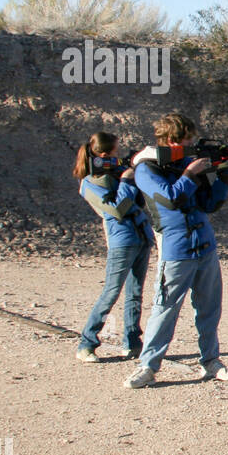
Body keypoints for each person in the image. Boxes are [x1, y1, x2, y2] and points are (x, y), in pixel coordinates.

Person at [123, 113, 228, 389]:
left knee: (209, 309)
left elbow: (209, 204)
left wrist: (223, 174)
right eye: (187, 140)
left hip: (205, 247)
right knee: (164, 310)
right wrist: (189, 174)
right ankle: (148, 366)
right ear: (172, 140)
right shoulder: (146, 169)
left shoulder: (186, 164)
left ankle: (211, 360)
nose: (191, 145)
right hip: (176, 251)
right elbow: (170, 199)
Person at [73, 132, 155, 362]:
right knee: (111, 293)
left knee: (135, 294)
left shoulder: (117, 173)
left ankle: (132, 343)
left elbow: (139, 200)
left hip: (140, 237)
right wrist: (127, 180)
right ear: (102, 155)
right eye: (115, 153)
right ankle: (86, 343)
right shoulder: (89, 183)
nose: (118, 157)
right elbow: (117, 209)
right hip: (122, 241)